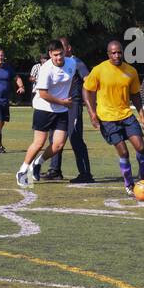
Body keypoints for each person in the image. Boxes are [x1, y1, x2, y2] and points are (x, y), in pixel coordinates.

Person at [83, 40, 144, 195]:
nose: (116, 55)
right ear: (108, 54)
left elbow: (135, 94)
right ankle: (129, 184)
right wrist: (92, 112)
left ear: (123, 52)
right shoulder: (99, 70)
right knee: (124, 152)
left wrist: (142, 115)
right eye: (113, 53)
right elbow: (86, 90)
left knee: (141, 147)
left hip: (126, 115)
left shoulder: (131, 71)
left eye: (119, 52)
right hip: (107, 118)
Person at [17, 41, 73, 187]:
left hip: (61, 110)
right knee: (39, 143)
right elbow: (43, 94)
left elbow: (73, 80)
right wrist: (63, 102)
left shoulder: (71, 63)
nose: (59, 58)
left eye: (61, 54)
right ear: (50, 54)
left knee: (59, 144)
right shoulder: (46, 69)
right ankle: (22, 171)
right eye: (55, 55)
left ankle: (37, 163)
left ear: (64, 51)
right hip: (44, 108)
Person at [46, 36, 93, 183]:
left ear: (69, 48)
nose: (60, 52)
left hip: (73, 105)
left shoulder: (76, 63)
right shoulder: (57, 65)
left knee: (75, 137)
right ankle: (55, 170)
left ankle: (86, 174)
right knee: (54, 137)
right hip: (59, 106)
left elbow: (89, 82)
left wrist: (94, 106)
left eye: (62, 48)